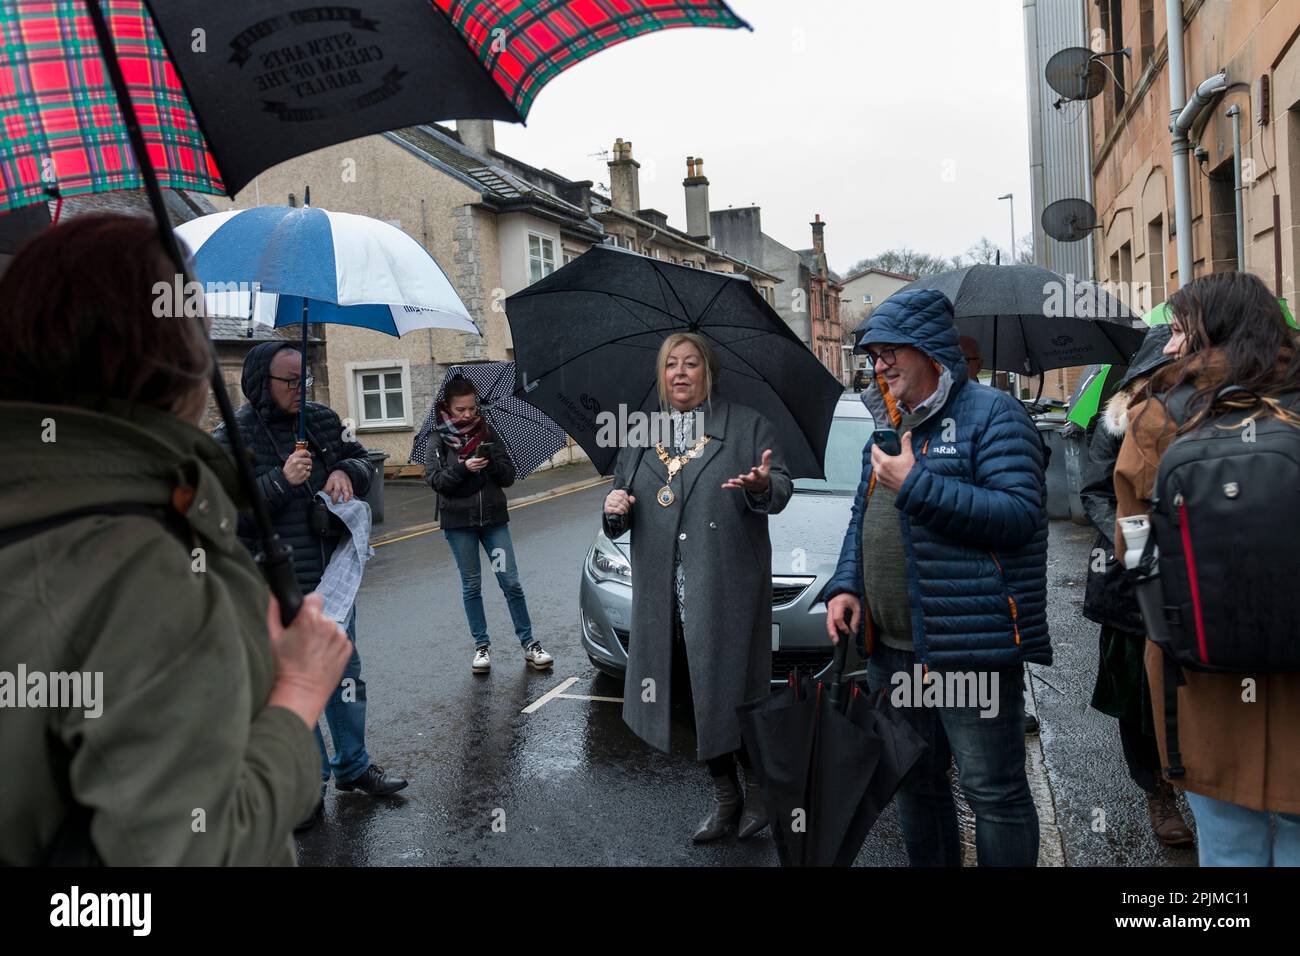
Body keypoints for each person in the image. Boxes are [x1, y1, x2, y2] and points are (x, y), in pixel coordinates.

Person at [0, 213, 350, 865]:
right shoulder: (142, 563)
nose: (298, 389)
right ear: (185, 359)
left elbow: (353, 459)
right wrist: (298, 696)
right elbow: (199, 849)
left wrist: (339, 473)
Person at [824, 288, 1050, 867]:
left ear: (930, 351)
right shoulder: (887, 425)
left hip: (967, 648)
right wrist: (847, 583)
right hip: (891, 650)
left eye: (892, 351)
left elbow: (1019, 515)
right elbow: (863, 514)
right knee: (914, 785)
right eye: (874, 355)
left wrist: (917, 485)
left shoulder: (994, 414)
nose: (881, 365)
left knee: (992, 793)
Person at [1115, 271, 1300, 866]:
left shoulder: (1160, 415)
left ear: (1211, 331)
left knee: (1227, 835)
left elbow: (1132, 545)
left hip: (1203, 670)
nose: (1169, 347)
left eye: (1178, 331)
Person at [603, 333, 792, 844]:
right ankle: (726, 797)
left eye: (691, 364)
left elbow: (780, 489)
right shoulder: (642, 434)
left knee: (735, 692)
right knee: (688, 693)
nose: (680, 373)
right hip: (664, 594)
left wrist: (760, 487)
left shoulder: (747, 427)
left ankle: (762, 790)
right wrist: (614, 511)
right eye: (671, 365)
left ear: (709, 373)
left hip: (727, 587)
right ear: (661, 376)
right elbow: (621, 499)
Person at [214, 341, 407, 830]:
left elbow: (363, 461)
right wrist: (280, 481)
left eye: (304, 378)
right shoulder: (232, 437)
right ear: (262, 382)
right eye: (288, 381)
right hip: (274, 592)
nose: (300, 388)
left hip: (332, 582)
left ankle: (354, 768)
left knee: (345, 680)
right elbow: (224, 517)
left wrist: (346, 470)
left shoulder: (320, 421)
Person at [1079, 325, 1193, 848]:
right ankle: (1156, 791)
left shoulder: (1199, 413)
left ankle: (1191, 777)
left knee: (1188, 688)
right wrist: (1134, 541)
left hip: (1192, 580)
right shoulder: (1117, 421)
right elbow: (1096, 492)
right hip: (1129, 584)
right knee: (1136, 694)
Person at [425, 376, 553, 674]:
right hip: (459, 525)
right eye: (461, 410)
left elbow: (508, 476)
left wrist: (490, 460)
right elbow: (436, 482)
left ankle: (530, 643)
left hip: (494, 520)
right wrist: (463, 467)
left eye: (471, 408)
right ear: (447, 407)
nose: (468, 414)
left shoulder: (487, 431)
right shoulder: (437, 440)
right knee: (472, 586)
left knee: (510, 582)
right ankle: (482, 647)